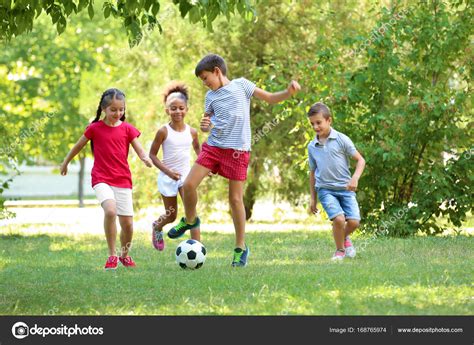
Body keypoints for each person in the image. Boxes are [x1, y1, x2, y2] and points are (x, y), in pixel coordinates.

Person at [168, 53, 301, 267]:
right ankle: (190, 220)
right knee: (189, 184)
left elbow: (269, 98)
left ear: (217, 71)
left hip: (238, 151)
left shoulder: (242, 86)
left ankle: (240, 248)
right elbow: (208, 123)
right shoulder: (210, 97)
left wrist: (288, 92)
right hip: (213, 148)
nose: (204, 83)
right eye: (201, 80)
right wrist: (205, 126)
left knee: (235, 200)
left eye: (205, 78)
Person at [60, 88, 152, 270]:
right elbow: (78, 146)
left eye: (121, 109)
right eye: (113, 110)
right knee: (110, 211)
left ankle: (124, 255)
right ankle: (112, 256)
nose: (118, 113)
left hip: (123, 180)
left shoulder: (127, 129)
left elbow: (139, 148)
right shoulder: (94, 128)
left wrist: (145, 158)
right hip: (101, 178)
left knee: (128, 225)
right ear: (103, 109)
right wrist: (65, 162)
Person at [307, 102, 366, 261]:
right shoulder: (312, 146)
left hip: (346, 189)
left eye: (318, 122)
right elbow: (312, 172)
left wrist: (355, 178)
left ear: (329, 120)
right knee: (339, 219)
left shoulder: (341, 139)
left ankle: (343, 238)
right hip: (325, 189)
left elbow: (360, 160)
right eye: (312, 123)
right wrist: (313, 198)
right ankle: (340, 250)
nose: (315, 127)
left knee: (354, 222)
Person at [149, 82, 202, 251]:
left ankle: (197, 247)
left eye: (181, 108)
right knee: (171, 215)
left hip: (186, 177)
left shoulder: (192, 132)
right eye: (173, 108)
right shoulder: (163, 132)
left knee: (191, 212)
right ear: (167, 110)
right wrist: (168, 172)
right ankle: (157, 226)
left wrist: (204, 167)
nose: (177, 111)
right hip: (167, 177)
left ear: (186, 109)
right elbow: (152, 155)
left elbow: (198, 150)